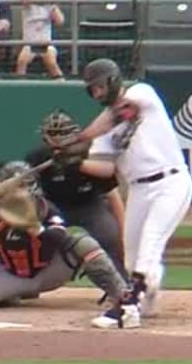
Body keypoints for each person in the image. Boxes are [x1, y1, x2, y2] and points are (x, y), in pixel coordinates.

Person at [58, 59, 192, 329]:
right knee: (132, 259)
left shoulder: (141, 94)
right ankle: (147, 297)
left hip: (171, 182)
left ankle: (127, 310)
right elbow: (105, 167)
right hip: (139, 191)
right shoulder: (103, 138)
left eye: (99, 87)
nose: (97, 94)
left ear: (113, 81)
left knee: (150, 243)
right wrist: (74, 162)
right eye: (92, 90)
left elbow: (117, 114)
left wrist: (78, 139)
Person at [0, 171, 129, 313]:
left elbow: (62, 237)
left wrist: (36, 229)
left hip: (50, 270)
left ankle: (123, 297)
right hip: (10, 274)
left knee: (84, 243)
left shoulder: (46, 209)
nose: (20, 193)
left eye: (24, 187)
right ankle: (13, 295)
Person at [25, 109, 124, 277]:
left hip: (90, 207)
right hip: (53, 208)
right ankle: (27, 281)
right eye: (52, 135)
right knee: (29, 236)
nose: (57, 140)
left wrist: (123, 234)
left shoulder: (91, 156)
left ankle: (122, 283)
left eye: (62, 134)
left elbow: (113, 196)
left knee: (109, 236)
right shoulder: (39, 158)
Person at [15, 0, 65, 78]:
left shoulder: (49, 5)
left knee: (51, 62)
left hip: (46, 44)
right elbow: (21, 1)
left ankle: (60, 82)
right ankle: (19, 85)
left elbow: (60, 21)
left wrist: (53, 7)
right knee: (22, 61)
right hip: (29, 44)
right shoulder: (27, 3)